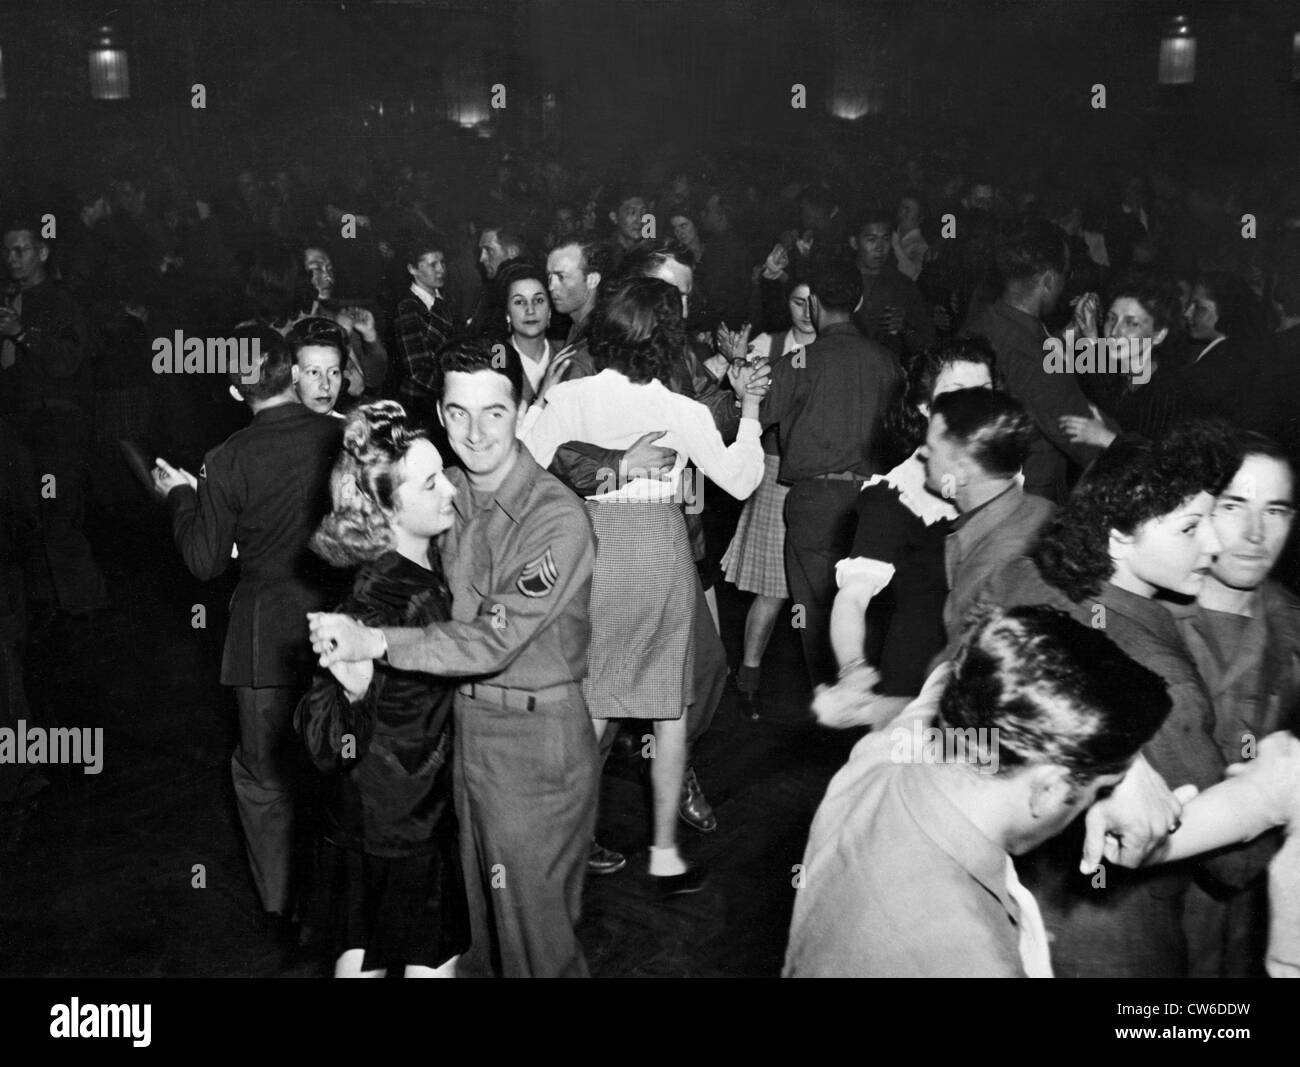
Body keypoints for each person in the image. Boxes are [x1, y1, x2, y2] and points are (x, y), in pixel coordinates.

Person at [308, 338, 601, 978]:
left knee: (535, 947)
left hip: (532, 744)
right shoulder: (450, 495)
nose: (476, 431)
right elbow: (374, 519)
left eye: (494, 412)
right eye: (458, 412)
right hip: (457, 742)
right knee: (467, 945)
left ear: (522, 411)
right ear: (440, 416)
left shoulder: (555, 518)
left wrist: (376, 642)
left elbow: (493, 638)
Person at [964, 422, 1241, 977]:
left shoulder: (1025, 575)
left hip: (1000, 915)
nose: (1216, 543)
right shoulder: (1163, 685)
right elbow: (1235, 866)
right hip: (1114, 949)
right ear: (1117, 536)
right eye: (1191, 527)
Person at [523, 276, 767, 895]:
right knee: (668, 709)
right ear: (669, 341)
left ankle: (558, 848)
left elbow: (519, 465)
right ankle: (663, 855)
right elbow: (739, 481)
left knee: (595, 702)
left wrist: (544, 404)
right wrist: (752, 409)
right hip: (660, 553)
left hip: (590, 549)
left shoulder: (571, 396)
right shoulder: (679, 410)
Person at [785, 605, 1172, 977]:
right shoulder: (970, 959)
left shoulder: (884, 759)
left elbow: (969, 669)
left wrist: (1126, 759)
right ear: (1049, 791)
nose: (1098, 799)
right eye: (1099, 790)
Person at [152, 325, 343, 943]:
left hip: (263, 639)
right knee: (339, 766)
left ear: (236, 390)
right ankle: (340, 902)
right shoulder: (342, 435)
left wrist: (182, 497)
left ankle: (281, 906)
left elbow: (205, 561)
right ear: (293, 373)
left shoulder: (227, 458)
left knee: (263, 776)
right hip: (343, 626)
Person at [295, 401, 468, 978]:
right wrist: (353, 691)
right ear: (390, 509)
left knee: (360, 950)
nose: (450, 487)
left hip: (368, 818)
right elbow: (322, 738)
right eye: (431, 482)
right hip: (406, 818)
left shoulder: (402, 572)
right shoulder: (387, 597)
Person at [1167, 433, 1300, 976]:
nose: (1253, 535)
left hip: (1257, 933)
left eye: (1275, 510)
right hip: (1151, 926)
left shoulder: (1293, 626)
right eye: (1232, 506)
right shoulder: (1137, 621)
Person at [762, 258, 901, 686]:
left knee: (815, 613)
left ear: (815, 304)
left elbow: (754, 420)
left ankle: (830, 711)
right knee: (869, 608)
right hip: (875, 501)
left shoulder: (799, 363)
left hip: (815, 503)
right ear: (858, 301)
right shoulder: (888, 362)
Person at [829, 340, 994, 701]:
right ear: (924, 406)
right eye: (956, 394)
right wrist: (853, 667)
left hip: (995, 673)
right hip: (922, 683)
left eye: (983, 392)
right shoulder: (895, 494)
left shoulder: (1005, 472)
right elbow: (852, 598)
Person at [0, 219, 107, 617]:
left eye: (21, 250)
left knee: (58, 512)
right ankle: (47, 609)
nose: (12, 259)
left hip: (57, 427)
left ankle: (85, 610)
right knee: (28, 516)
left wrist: (22, 332)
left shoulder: (60, 301)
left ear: (42, 253)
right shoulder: (10, 299)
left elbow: (66, 362)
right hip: (19, 426)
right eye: (7, 251)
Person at [719, 281, 816, 718]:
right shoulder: (769, 343)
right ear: (786, 303)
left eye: (813, 302)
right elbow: (730, 393)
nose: (806, 311)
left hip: (817, 475)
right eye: (797, 301)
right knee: (773, 587)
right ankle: (749, 678)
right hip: (775, 472)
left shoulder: (834, 347)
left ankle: (813, 684)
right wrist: (736, 360)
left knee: (815, 584)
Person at [965, 218, 1109, 503]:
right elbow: (1093, 440)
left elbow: (1024, 357)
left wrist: (1069, 334)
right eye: (1066, 274)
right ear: (1048, 280)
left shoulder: (984, 323)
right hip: (1028, 507)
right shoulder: (1035, 361)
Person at [1058, 274, 1198, 447]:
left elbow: (1157, 459)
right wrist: (1089, 335)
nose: (1115, 330)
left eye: (1132, 324)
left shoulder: (1167, 391)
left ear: (1159, 335)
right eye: (1111, 318)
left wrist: (1105, 438)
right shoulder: (1123, 373)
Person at [850, 210, 935, 360]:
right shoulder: (840, 281)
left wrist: (904, 328)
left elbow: (927, 341)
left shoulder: (902, 285)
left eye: (886, 239)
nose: (880, 247)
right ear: (854, 243)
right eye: (871, 239)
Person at [390, 239, 455, 424]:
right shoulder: (409, 307)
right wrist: (452, 389)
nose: (441, 269)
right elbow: (416, 369)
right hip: (419, 403)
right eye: (433, 264)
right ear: (412, 269)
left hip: (439, 397)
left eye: (442, 262)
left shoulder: (442, 300)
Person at [499, 263, 557, 406]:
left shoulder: (565, 353)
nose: (530, 309)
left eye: (538, 300)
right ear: (507, 314)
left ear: (549, 311)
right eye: (519, 302)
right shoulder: (497, 354)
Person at [286, 316, 349, 417]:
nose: (326, 385)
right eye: (314, 372)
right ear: (293, 375)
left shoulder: (353, 430)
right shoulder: (273, 431)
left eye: (334, 372)